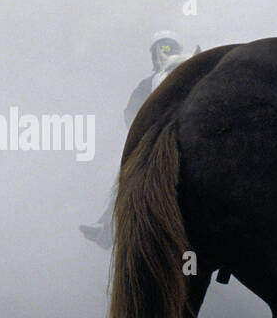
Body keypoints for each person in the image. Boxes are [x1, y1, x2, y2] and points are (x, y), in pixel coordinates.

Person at [81, 30, 194, 247]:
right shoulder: (150, 83)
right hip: (166, 139)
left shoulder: (187, 70)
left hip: (179, 136)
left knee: (133, 172)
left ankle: (108, 226)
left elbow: (131, 115)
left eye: (168, 47)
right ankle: (108, 225)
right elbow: (131, 114)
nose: (164, 53)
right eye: (161, 48)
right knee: (130, 173)